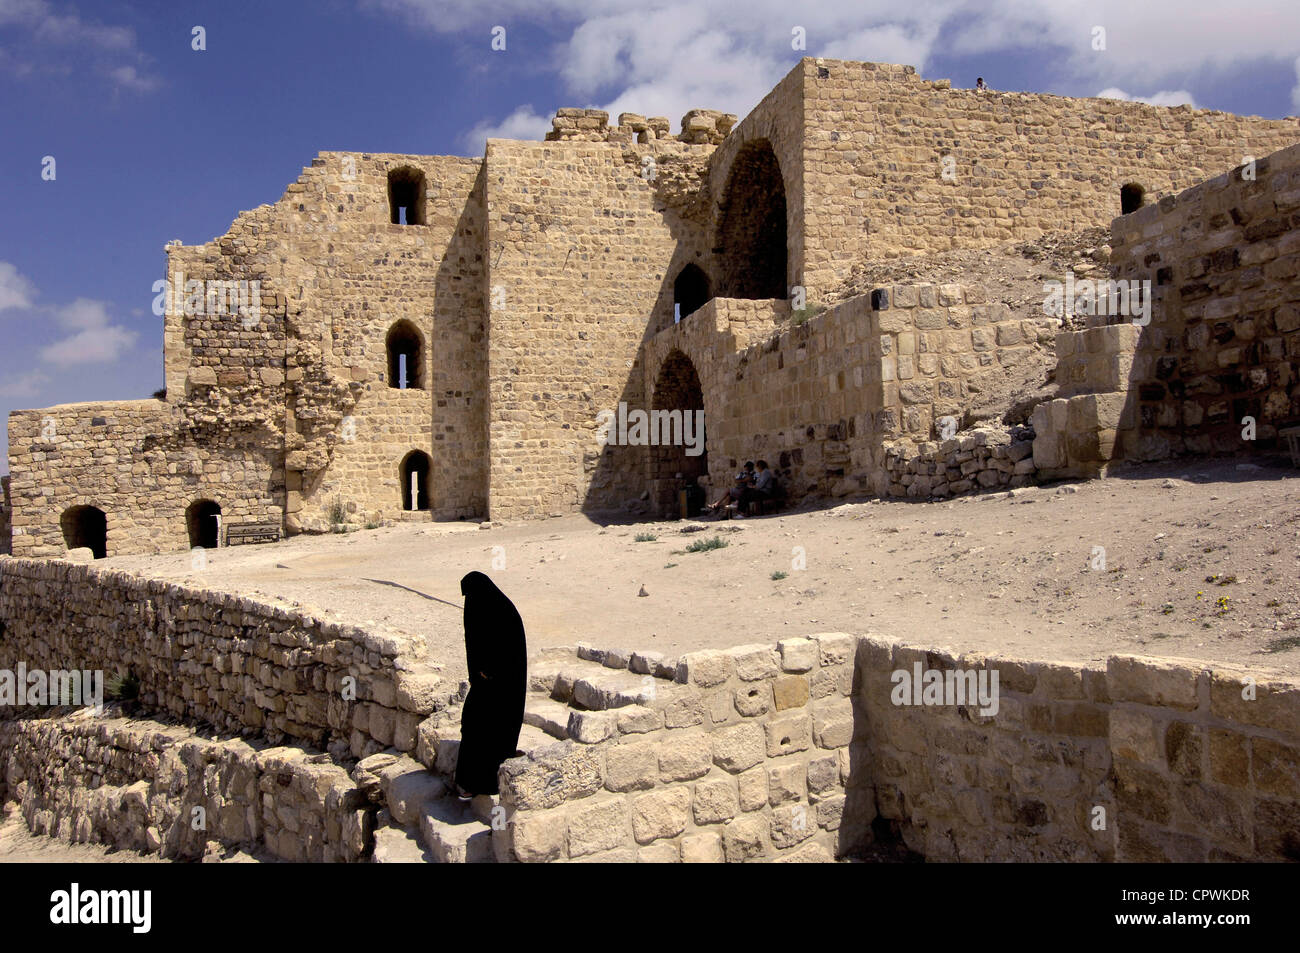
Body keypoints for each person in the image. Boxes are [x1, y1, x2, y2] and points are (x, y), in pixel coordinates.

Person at [453, 571, 527, 799]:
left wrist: (487, 671)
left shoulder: (497, 609)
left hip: (503, 681)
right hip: (496, 680)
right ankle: (475, 781)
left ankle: (477, 783)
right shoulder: (491, 603)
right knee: (478, 724)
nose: (468, 601)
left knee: (482, 726)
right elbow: (477, 641)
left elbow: (502, 646)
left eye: (469, 595)